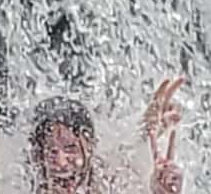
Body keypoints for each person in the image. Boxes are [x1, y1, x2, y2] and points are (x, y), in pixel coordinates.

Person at [28, 77, 186, 194]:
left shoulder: (110, 179)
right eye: (52, 151)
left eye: (70, 148)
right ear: (37, 154)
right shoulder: (17, 183)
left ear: (89, 146)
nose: (61, 163)